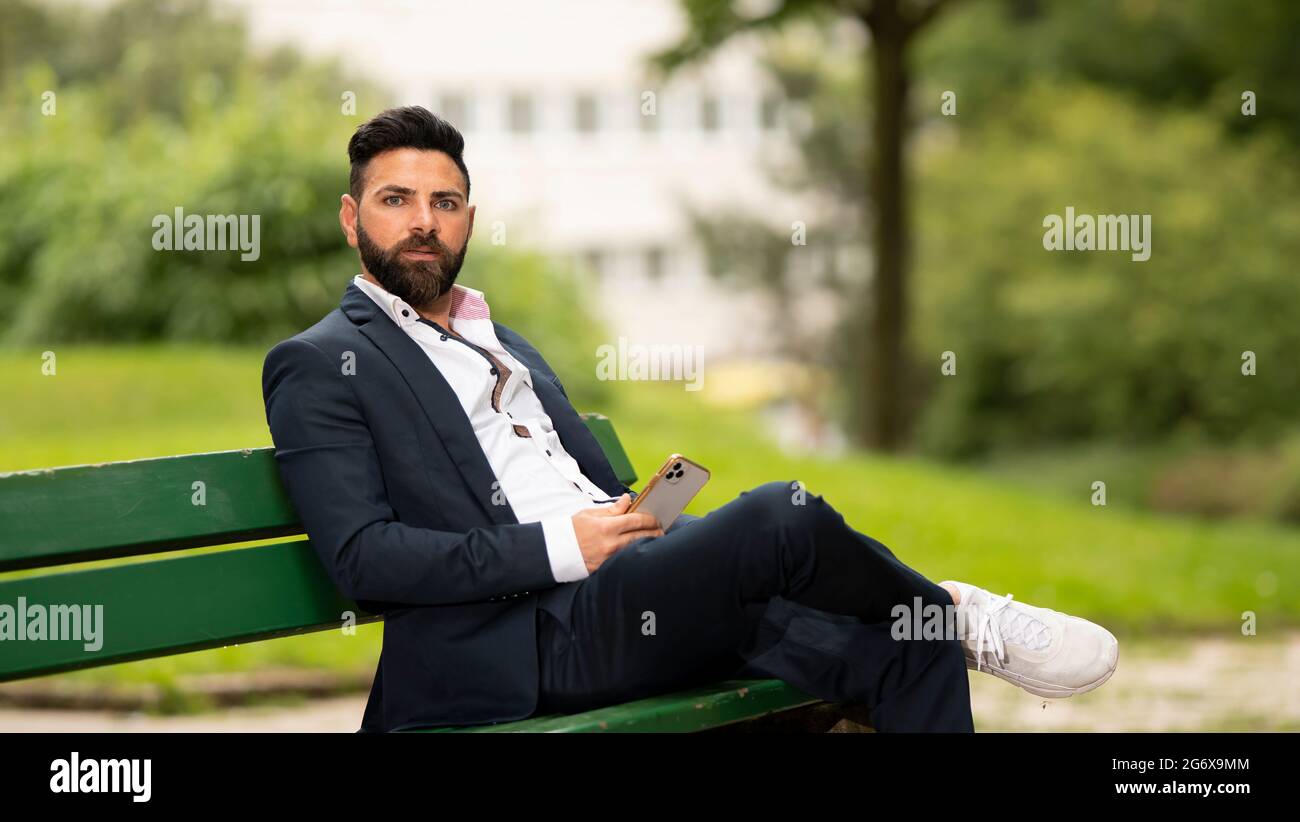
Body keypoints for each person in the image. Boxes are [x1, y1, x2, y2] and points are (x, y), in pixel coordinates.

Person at [262, 106, 1118, 733]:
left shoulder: (501, 339)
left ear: (469, 222)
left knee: (902, 649)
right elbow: (362, 559)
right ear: (352, 219)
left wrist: (633, 521)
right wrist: (569, 544)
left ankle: (928, 621)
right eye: (396, 200)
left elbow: (581, 485)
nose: (422, 222)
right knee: (782, 517)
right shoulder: (320, 362)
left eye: (444, 203)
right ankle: (948, 609)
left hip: (630, 593)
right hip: (523, 644)